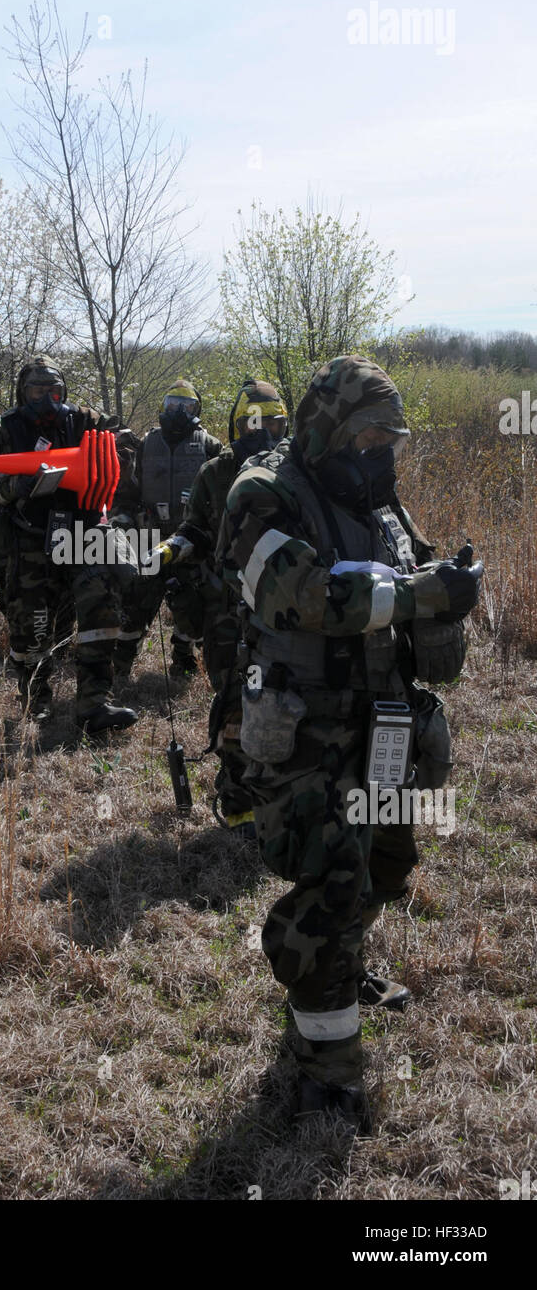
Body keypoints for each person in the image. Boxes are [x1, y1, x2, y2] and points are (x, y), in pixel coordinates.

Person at [219, 354, 483, 1128]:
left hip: (385, 719)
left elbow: (411, 570)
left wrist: (448, 584)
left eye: (390, 438)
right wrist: (418, 594)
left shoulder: (378, 496)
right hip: (306, 728)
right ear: (324, 428)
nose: (381, 451)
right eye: (367, 435)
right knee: (329, 888)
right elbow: (297, 593)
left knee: (383, 865)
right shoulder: (260, 494)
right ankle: (326, 1069)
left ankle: (341, 972)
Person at [148, 380, 290, 833]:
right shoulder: (215, 472)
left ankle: (287, 797)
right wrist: (171, 549)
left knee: (288, 699)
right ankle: (239, 802)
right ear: (236, 425)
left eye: (275, 423)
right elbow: (197, 530)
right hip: (227, 610)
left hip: (284, 610)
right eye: (255, 423)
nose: (265, 433)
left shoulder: (298, 472)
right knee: (234, 701)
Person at [0, 356, 138, 733]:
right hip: (29, 538)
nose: (47, 400)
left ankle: (95, 703)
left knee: (100, 610)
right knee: (31, 626)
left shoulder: (84, 419)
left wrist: (117, 449)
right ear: (22, 392)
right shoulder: (4, 429)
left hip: (82, 531)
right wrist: (14, 486)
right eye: (37, 392)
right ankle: (37, 700)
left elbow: (124, 444)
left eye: (55, 391)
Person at [113, 381, 221, 678]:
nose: (178, 411)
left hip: (190, 542)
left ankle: (184, 661)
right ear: (163, 406)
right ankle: (120, 665)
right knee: (135, 604)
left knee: (191, 606)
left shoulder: (210, 446)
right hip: (149, 537)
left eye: (186, 406)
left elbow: (221, 496)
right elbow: (129, 491)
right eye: (173, 404)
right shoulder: (147, 443)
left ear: (196, 410)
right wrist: (121, 520)